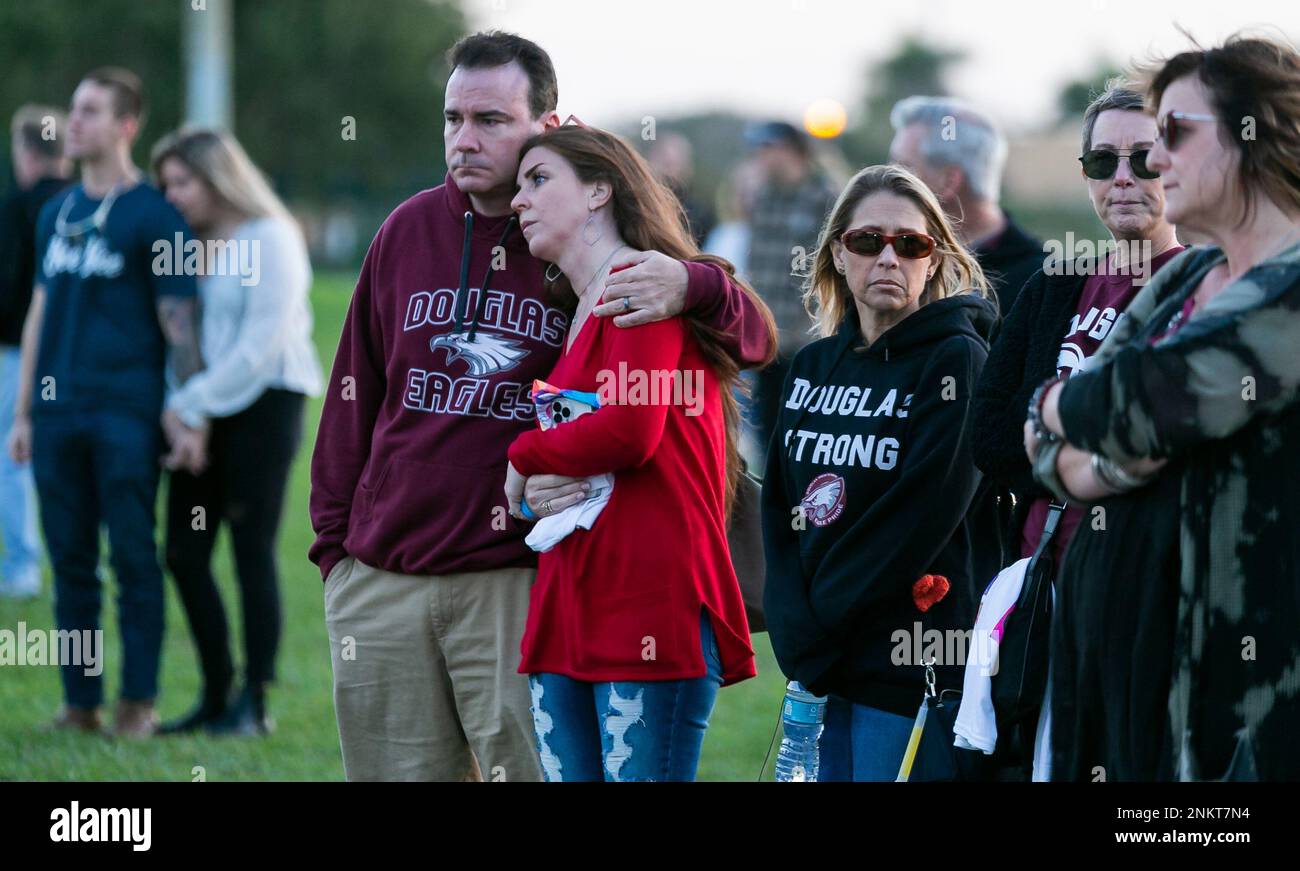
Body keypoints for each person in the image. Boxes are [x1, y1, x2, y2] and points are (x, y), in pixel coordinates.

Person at [309, 31, 774, 781]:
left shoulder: (587, 248)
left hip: (514, 576)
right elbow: (352, 398)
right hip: (383, 577)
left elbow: (750, 339)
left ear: (550, 127)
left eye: (491, 120)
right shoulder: (404, 232)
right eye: (453, 119)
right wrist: (336, 552)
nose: (465, 140)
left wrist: (697, 284)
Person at [1027, 35, 1300, 781]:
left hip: (1246, 702)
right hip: (1125, 676)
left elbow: (1137, 400)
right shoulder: (1188, 280)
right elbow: (1040, 436)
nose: (1154, 160)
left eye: (1174, 132)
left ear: (1256, 135)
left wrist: (1072, 411)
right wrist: (1081, 422)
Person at [501, 124, 776, 781]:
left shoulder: (642, 284)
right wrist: (543, 474)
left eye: (538, 179)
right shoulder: (576, 308)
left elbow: (631, 429)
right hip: (571, 597)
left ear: (600, 189)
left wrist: (522, 455)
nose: (519, 200)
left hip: (648, 599)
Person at [762, 164, 1001, 781]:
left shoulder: (958, 359)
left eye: (911, 243)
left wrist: (818, 627)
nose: (888, 258)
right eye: (868, 241)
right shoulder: (813, 363)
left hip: (908, 666)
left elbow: (920, 515)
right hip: (818, 664)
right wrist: (792, 625)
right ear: (839, 254)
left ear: (935, 258)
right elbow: (782, 511)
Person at [5, 68, 204, 736]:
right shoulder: (54, 214)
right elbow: (37, 312)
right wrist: (26, 411)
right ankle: (81, 700)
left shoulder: (157, 214)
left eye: (90, 110)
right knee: (68, 561)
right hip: (58, 415)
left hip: (126, 411)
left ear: (127, 124)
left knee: (131, 556)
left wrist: (190, 410)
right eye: (72, 108)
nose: (74, 121)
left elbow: (181, 323)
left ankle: (137, 701)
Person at [150, 128, 324, 735]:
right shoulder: (185, 245)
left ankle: (254, 704)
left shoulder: (271, 237)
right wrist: (189, 413)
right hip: (202, 410)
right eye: (165, 183)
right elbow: (179, 339)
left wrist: (192, 409)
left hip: (265, 405)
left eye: (182, 181)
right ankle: (215, 692)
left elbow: (259, 347)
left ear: (218, 178)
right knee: (182, 551)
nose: (171, 195)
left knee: (251, 550)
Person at [972, 81, 1183, 573]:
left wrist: (1047, 438)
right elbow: (989, 434)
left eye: (1145, 159)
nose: (1123, 178)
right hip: (1039, 567)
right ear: (1087, 176)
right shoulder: (1054, 284)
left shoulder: (1207, 285)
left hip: (1144, 573)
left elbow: (1172, 444)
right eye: (1104, 162)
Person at [0, 105, 70, 599]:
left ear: (24, 151)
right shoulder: (81, 204)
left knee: (12, 459)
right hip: (76, 357)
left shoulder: (17, 208)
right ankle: (82, 561)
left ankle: (24, 566)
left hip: (14, 354)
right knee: (76, 460)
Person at [889, 96, 1042, 315]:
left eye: (903, 169)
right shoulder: (886, 258)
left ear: (949, 181)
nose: (888, 182)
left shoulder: (1040, 287)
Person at [743, 120, 839, 464]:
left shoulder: (826, 197)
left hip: (808, 342)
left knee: (809, 438)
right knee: (770, 439)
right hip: (767, 340)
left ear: (791, 150)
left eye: (766, 149)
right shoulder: (763, 197)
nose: (760, 158)